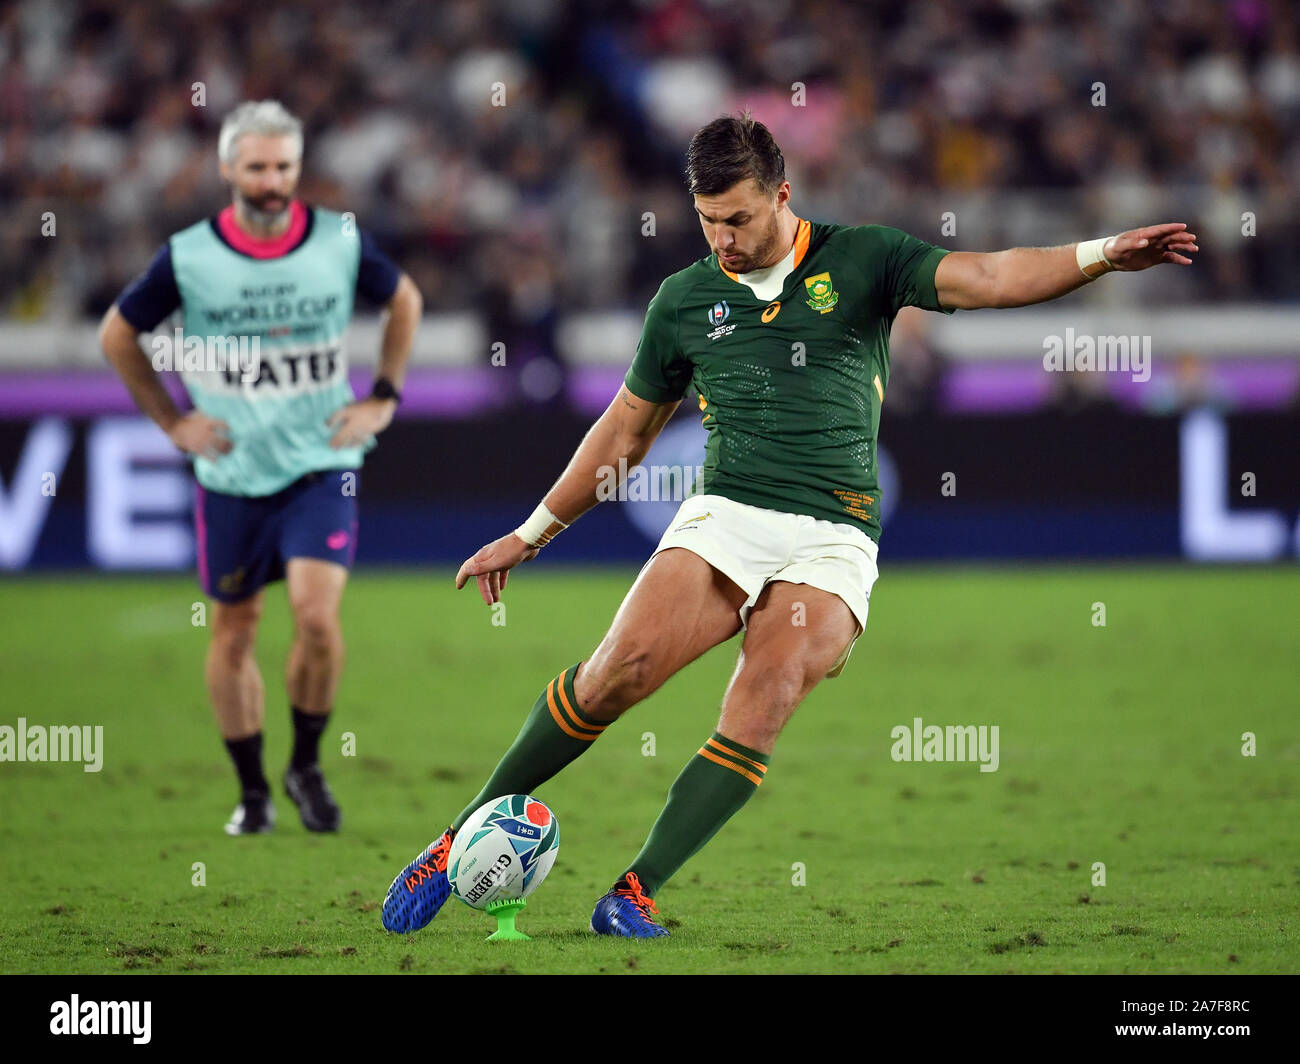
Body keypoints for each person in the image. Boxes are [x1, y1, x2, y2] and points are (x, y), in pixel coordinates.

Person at [381, 113, 1195, 936]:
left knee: (763, 694)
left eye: (738, 218)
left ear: (782, 194)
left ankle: (634, 891)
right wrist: (530, 534)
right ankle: (453, 846)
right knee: (615, 672)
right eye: (708, 221)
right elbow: (625, 434)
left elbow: (986, 275)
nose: (723, 239)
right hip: (727, 516)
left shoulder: (865, 258)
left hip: (835, 536)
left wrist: (1101, 255)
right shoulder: (686, 300)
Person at [99, 101, 422, 836]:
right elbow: (119, 334)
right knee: (234, 631)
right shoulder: (190, 256)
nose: (272, 182)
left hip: (321, 464)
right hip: (233, 474)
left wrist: (383, 398)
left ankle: (305, 763)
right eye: (257, 168)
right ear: (227, 170)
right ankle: (251, 792)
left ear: (297, 168)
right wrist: (173, 421)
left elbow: (403, 301)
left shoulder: (338, 240)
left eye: (283, 166)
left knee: (315, 616)